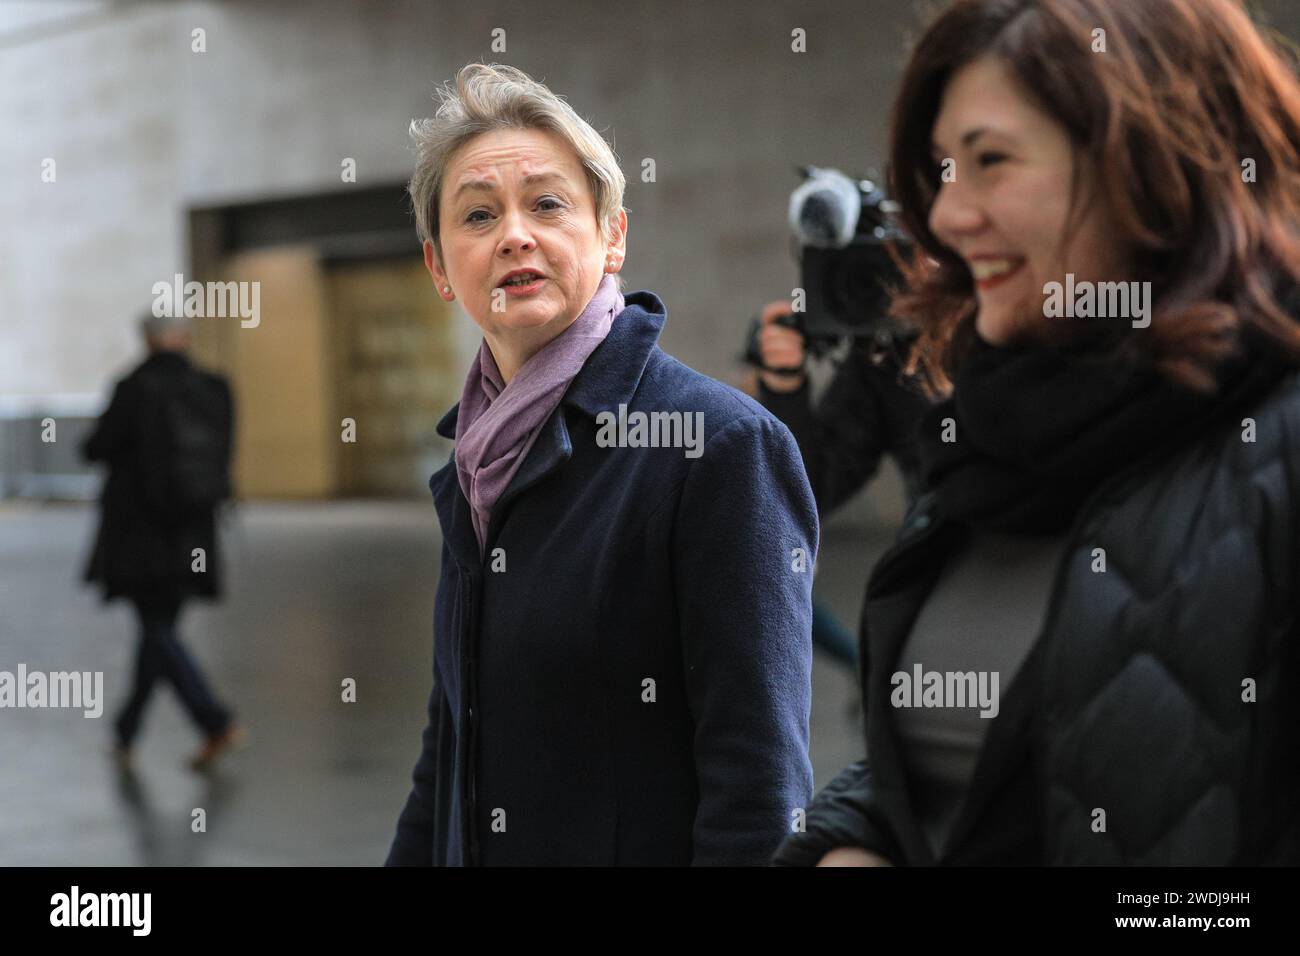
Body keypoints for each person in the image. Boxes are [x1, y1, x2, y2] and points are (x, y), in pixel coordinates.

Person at [775, 0, 1300, 866]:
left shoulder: (1273, 444)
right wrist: (849, 843)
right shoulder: (985, 428)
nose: (945, 217)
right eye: (943, 169)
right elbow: (962, 768)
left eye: (991, 161)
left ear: (1149, 165)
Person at [384, 64, 818, 866]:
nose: (515, 233)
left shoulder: (718, 449)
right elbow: (448, 754)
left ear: (612, 235)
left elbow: (758, 792)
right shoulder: (474, 467)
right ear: (440, 268)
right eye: (477, 215)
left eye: (547, 204)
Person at [81, 314, 244, 772]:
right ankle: (126, 730)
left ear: (147, 341)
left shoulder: (133, 387)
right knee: (158, 630)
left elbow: (96, 447)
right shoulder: (215, 387)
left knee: (156, 629)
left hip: (141, 535)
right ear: (184, 338)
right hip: (193, 531)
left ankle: (214, 721)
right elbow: (224, 454)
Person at [754, 300, 931, 669]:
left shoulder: (1060, 330)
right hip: (938, 591)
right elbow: (809, 489)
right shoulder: (888, 354)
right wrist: (785, 384)